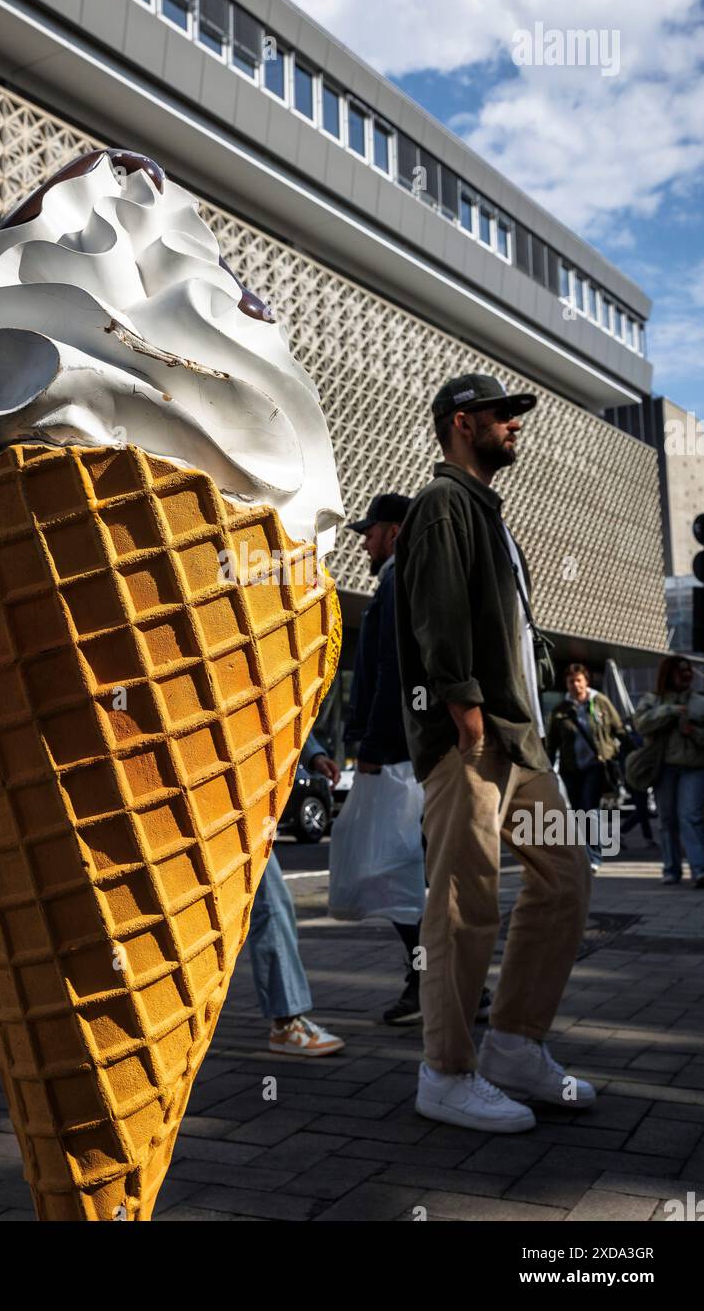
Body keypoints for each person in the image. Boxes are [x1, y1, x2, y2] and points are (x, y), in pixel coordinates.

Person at [396, 372, 593, 1133]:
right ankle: (444, 1072)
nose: (517, 425)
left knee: (566, 880)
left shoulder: (490, 513)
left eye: (517, 415)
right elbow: (437, 614)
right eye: (504, 415)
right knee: (462, 902)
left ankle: (512, 1046)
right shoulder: (443, 503)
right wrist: (465, 711)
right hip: (472, 739)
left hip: (520, 741)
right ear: (461, 422)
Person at [343, 492, 490, 1027]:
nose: (365, 542)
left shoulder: (397, 584)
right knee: (415, 872)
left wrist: (373, 749)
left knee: (398, 871)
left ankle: (446, 984)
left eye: (371, 531)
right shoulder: (399, 583)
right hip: (410, 751)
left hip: (402, 756)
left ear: (395, 532)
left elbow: (391, 674)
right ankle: (439, 982)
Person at [249, 730, 345, 1055]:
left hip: (237, 798)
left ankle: (287, 1018)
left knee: (270, 899)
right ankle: (286, 1021)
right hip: (221, 795)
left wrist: (312, 752)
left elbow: (279, 705)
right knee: (269, 903)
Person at [546, 664, 624, 872]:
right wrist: (547, 767)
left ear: (586, 682)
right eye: (571, 681)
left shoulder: (600, 703)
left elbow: (618, 729)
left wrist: (625, 757)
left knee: (591, 809)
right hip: (571, 768)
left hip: (596, 765)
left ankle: (594, 857)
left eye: (579, 680)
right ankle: (587, 853)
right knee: (580, 811)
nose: (575, 685)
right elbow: (552, 742)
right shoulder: (561, 710)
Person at [634, 656, 704, 886]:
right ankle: (671, 869)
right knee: (667, 820)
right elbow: (641, 725)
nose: (686, 676)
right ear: (668, 673)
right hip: (664, 769)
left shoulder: (698, 702)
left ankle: (699, 869)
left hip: (692, 767)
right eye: (680, 671)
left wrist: (691, 731)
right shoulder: (652, 700)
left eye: (688, 671)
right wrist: (671, 711)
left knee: (689, 817)